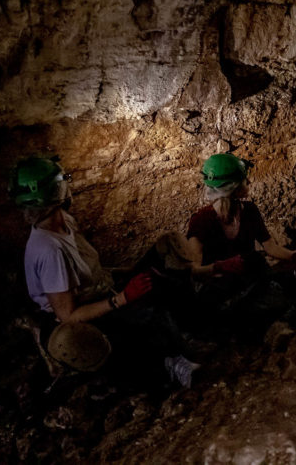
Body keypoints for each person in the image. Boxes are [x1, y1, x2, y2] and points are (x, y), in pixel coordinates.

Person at [11, 155, 202, 388]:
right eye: (64, 180)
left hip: (101, 289)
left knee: (167, 253)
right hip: (83, 314)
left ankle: (192, 329)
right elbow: (67, 316)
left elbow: (89, 270)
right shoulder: (50, 250)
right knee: (147, 313)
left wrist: (129, 271)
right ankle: (166, 366)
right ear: (56, 190)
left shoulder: (65, 222)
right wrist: (121, 299)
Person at [182, 153, 296, 334]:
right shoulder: (202, 220)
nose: (248, 183)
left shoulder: (249, 211)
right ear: (234, 188)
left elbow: (270, 247)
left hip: (248, 279)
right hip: (220, 286)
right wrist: (220, 267)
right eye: (244, 180)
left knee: (277, 270)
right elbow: (193, 270)